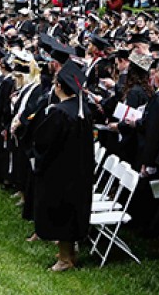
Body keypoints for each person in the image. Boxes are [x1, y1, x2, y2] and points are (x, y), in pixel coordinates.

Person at [30, 59, 94, 272]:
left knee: (62, 213)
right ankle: (71, 254)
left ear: (58, 87)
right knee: (71, 211)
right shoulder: (82, 109)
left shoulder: (60, 112)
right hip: (79, 171)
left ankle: (65, 259)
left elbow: (44, 142)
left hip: (60, 172)